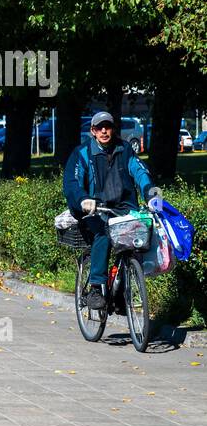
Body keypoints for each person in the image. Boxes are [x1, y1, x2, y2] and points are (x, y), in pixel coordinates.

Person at [64, 110, 155, 309]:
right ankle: (96, 287)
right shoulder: (82, 153)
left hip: (123, 208)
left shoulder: (125, 149)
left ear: (113, 129)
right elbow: (72, 183)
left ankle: (124, 286)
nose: (104, 131)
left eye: (108, 127)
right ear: (93, 131)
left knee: (138, 237)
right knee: (103, 233)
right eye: (99, 128)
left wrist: (151, 193)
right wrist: (83, 199)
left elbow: (140, 172)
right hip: (94, 209)